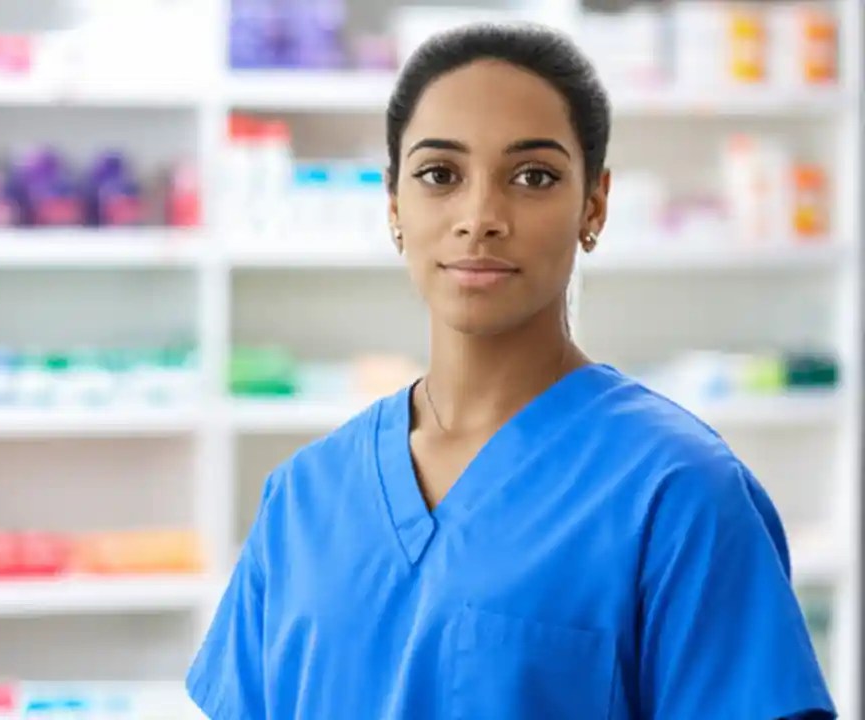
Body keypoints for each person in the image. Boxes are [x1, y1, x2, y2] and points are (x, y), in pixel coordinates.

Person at [186, 22, 836, 720]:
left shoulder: (679, 495)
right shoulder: (304, 498)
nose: (480, 216)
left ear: (594, 205)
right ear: (394, 205)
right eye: (440, 175)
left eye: (533, 177)